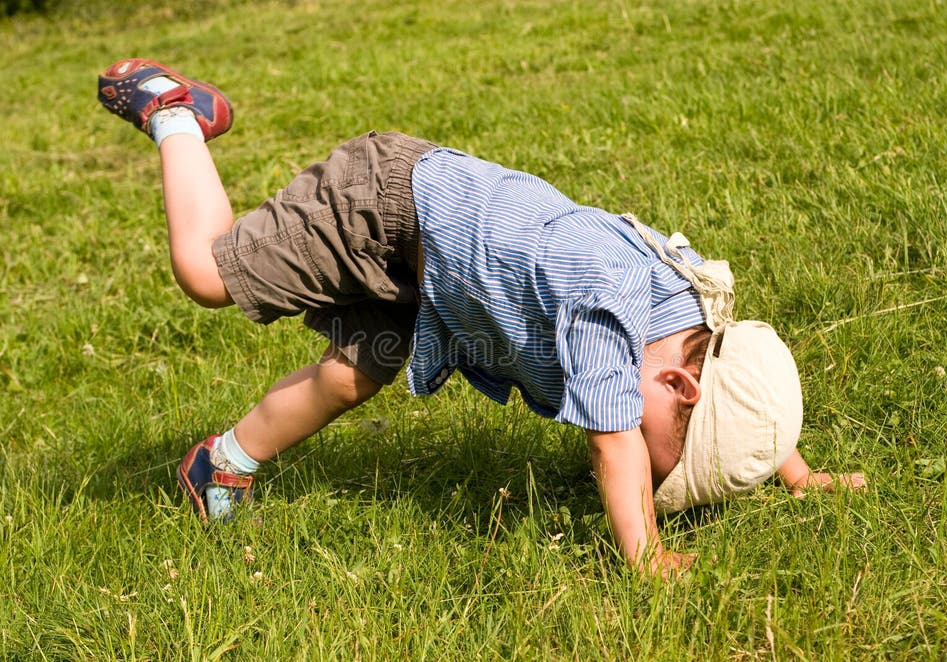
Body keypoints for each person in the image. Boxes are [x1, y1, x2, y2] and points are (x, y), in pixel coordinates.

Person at [98, 59, 865, 578]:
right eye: (672, 455)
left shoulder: (690, 319)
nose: (659, 469)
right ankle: (176, 113)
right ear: (677, 387)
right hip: (380, 205)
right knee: (207, 274)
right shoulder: (608, 314)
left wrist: (796, 472)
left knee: (352, 376)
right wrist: (646, 557)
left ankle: (220, 463)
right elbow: (612, 440)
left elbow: (740, 386)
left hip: (425, 264)